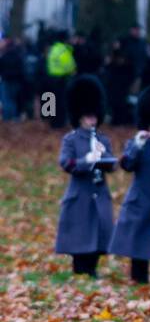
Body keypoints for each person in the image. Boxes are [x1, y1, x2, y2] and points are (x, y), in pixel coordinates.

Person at [109, 84, 150, 285]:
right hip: (141, 199)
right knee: (139, 240)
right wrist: (137, 146)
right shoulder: (135, 142)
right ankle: (139, 278)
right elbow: (127, 164)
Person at [55, 75, 115, 276]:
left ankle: (93, 268)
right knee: (81, 234)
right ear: (79, 116)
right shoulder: (71, 140)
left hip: (99, 192)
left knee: (99, 232)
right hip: (80, 193)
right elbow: (66, 163)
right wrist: (86, 160)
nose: (92, 120)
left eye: (94, 117)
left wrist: (102, 154)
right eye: (88, 117)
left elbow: (112, 165)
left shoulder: (102, 139)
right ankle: (80, 268)